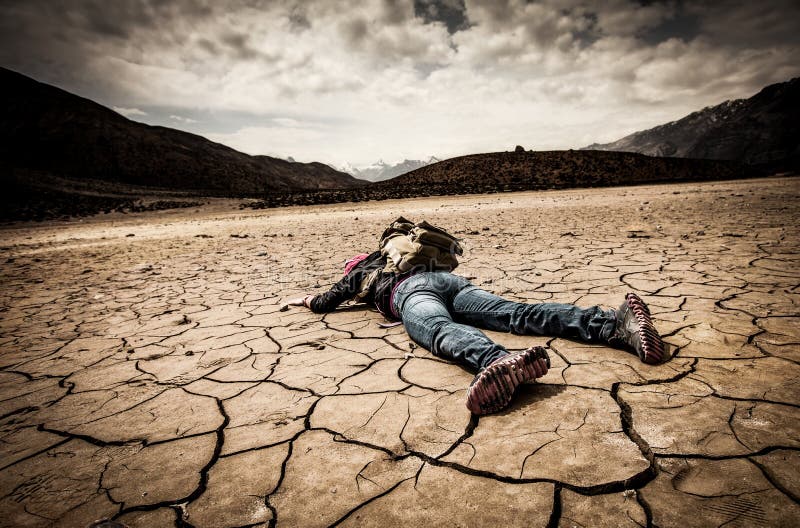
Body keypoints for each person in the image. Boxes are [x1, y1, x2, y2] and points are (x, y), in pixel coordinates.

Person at [288, 250, 665, 415]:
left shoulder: (363, 268)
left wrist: (307, 299)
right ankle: (616, 325)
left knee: (436, 328)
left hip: (412, 293)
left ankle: (498, 361)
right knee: (516, 313)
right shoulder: (408, 255)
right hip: (452, 282)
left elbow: (328, 301)